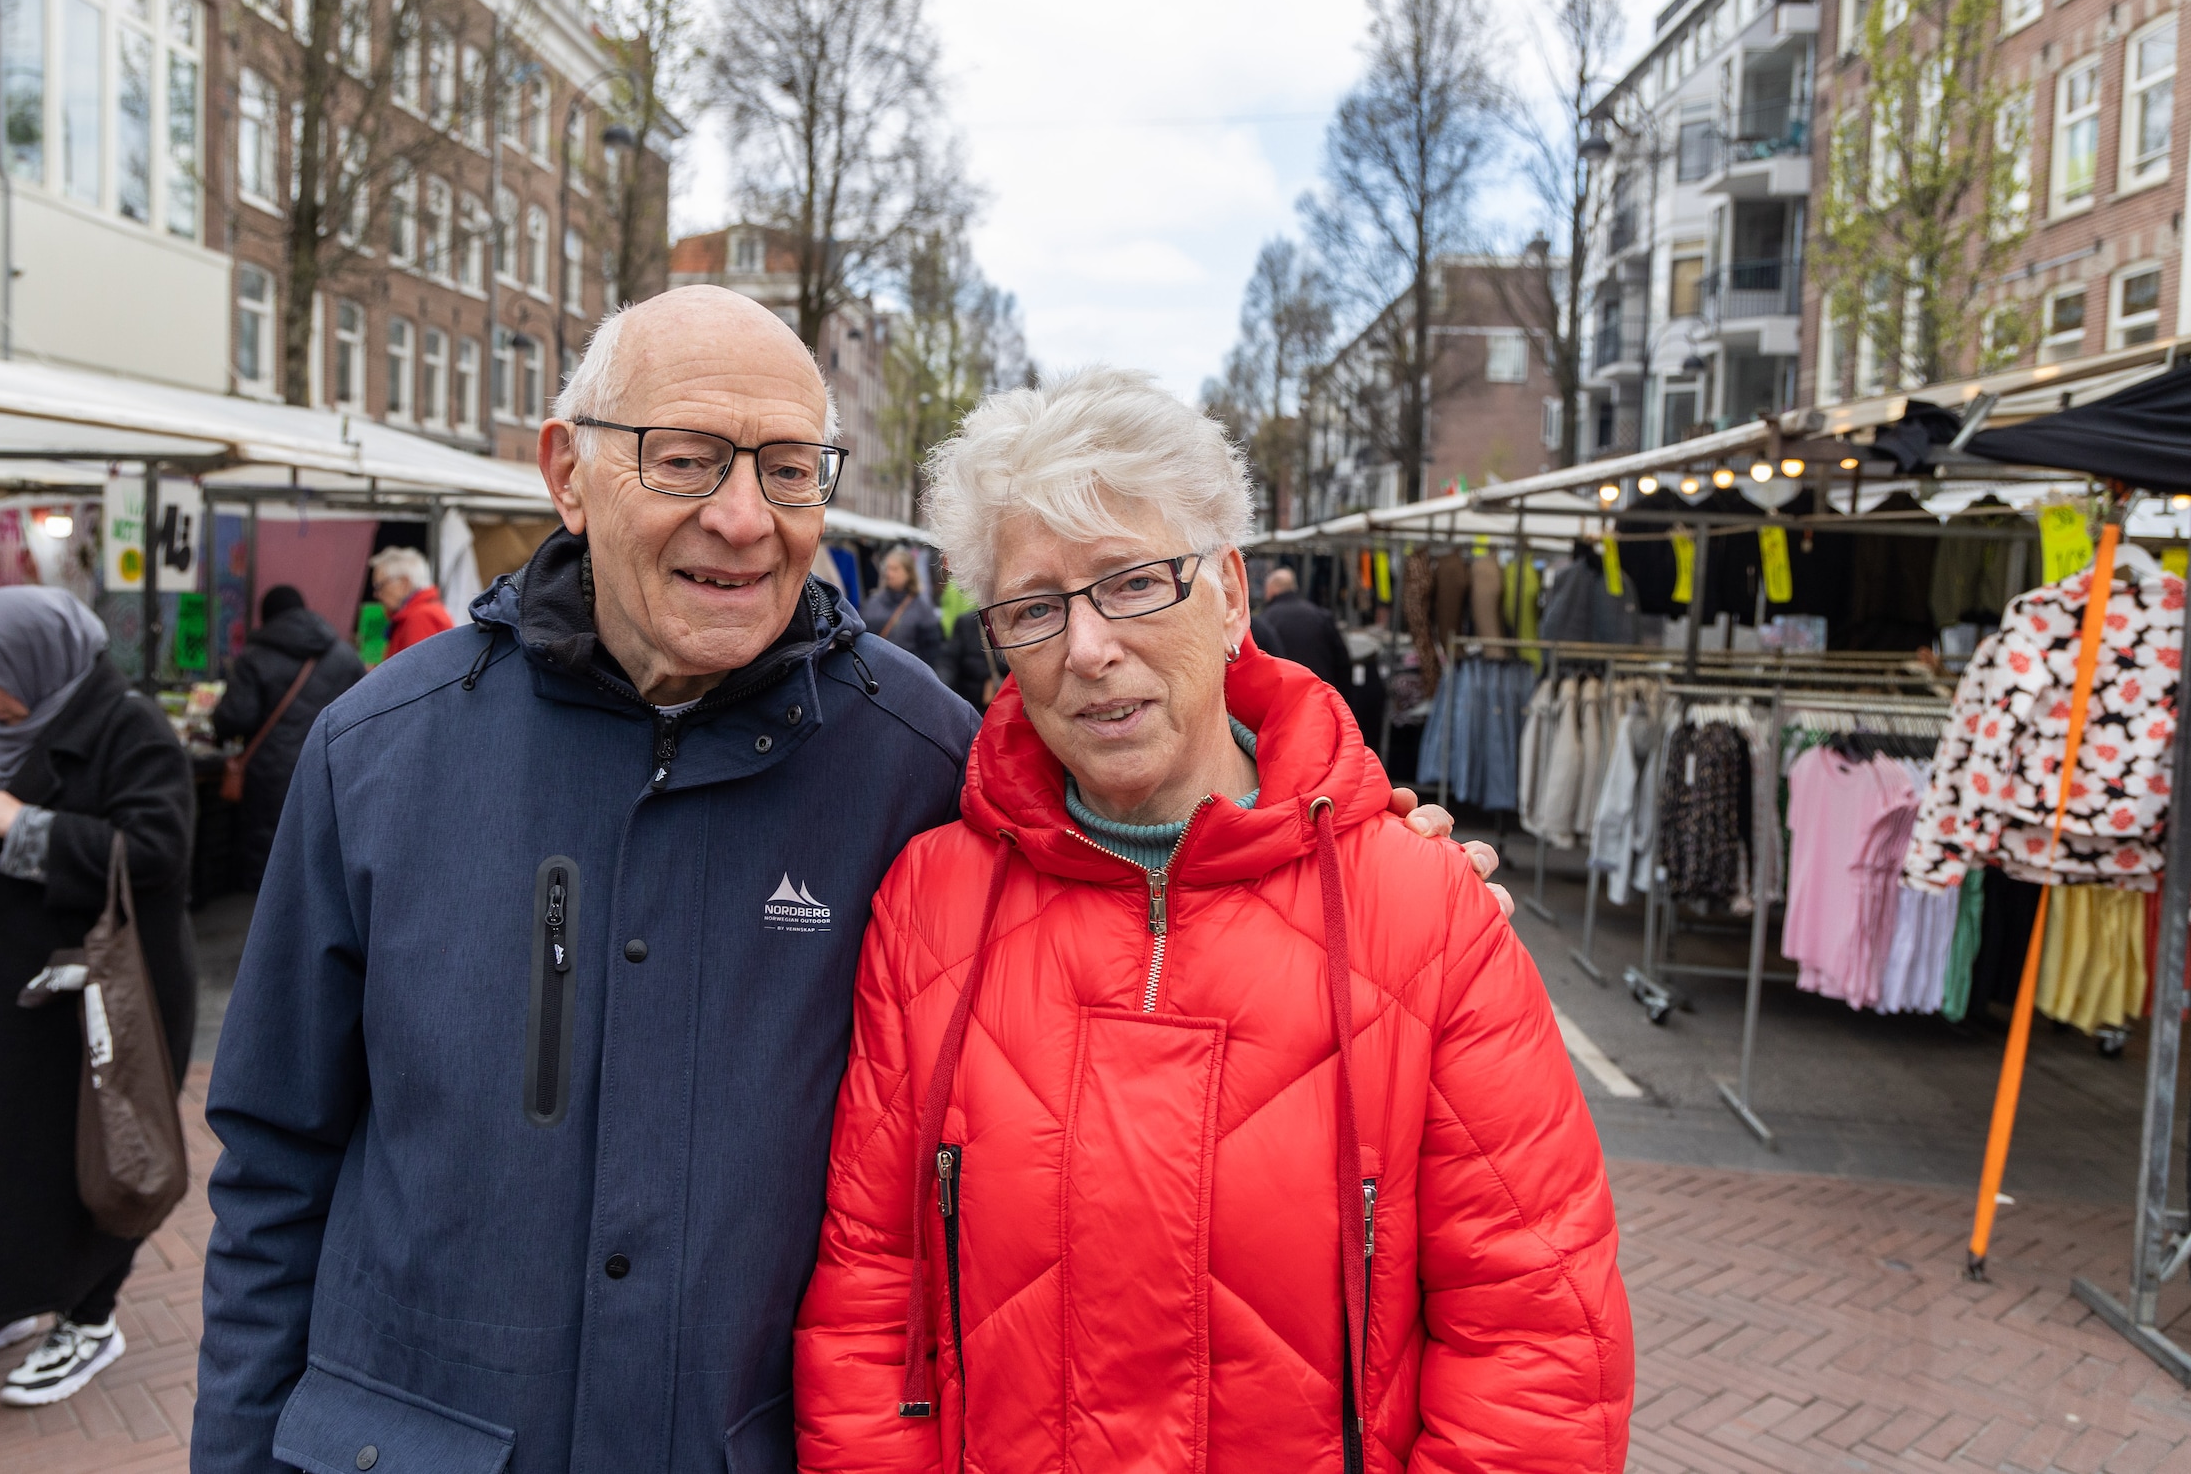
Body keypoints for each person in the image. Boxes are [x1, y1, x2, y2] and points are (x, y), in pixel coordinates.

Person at [194, 296, 1505, 1473]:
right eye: (687, 459)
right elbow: (275, 1160)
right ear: (568, 472)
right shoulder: (382, 749)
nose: (742, 516)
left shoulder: (918, 760)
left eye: (785, 468)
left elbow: (1135, 878)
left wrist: (1360, 848)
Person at [794, 369, 1631, 1471]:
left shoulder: (1418, 909)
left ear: (1229, 594)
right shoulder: (930, 902)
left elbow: (1532, 1345)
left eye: (1131, 583)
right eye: (1034, 607)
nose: (1086, 648)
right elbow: (870, 1296)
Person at [0, 586, 196, 1409]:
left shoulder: (130, 728)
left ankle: (90, 1316)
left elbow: (158, 848)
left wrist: (25, 826)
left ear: (39, 659)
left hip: (102, 994)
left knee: (98, 1151)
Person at [212, 584, 365, 889]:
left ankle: (271, 923)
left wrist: (217, 724)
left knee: (268, 852)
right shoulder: (344, 655)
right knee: (322, 846)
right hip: (331, 767)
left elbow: (235, 716)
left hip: (270, 773)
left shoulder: (255, 657)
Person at [1250, 562, 1362, 711]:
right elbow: (1342, 662)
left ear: (1271, 591)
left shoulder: (1265, 621)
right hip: (1321, 696)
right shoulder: (1321, 615)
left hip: (1286, 702)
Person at [369, 546, 453, 659]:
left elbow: (420, 671)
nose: (376, 594)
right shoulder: (420, 613)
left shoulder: (420, 617)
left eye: (379, 586)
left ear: (404, 583)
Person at [861, 545, 942, 660]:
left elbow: (932, 650)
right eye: (888, 568)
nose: (889, 574)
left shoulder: (922, 608)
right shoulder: (873, 603)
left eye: (895, 569)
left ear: (908, 573)